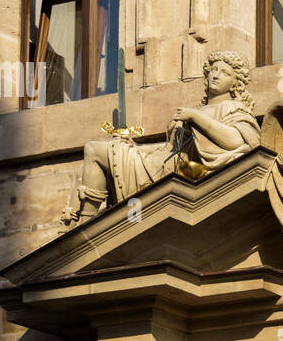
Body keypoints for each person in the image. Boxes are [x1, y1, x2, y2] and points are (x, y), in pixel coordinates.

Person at [62, 50, 260, 224]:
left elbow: (235, 141)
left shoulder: (233, 108)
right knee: (94, 149)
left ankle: (85, 227)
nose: (216, 75)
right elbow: (170, 149)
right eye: (214, 70)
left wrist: (195, 117)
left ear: (236, 83)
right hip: (163, 165)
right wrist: (138, 148)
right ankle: (86, 223)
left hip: (182, 172)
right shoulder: (199, 109)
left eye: (225, 72)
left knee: (96, 150)